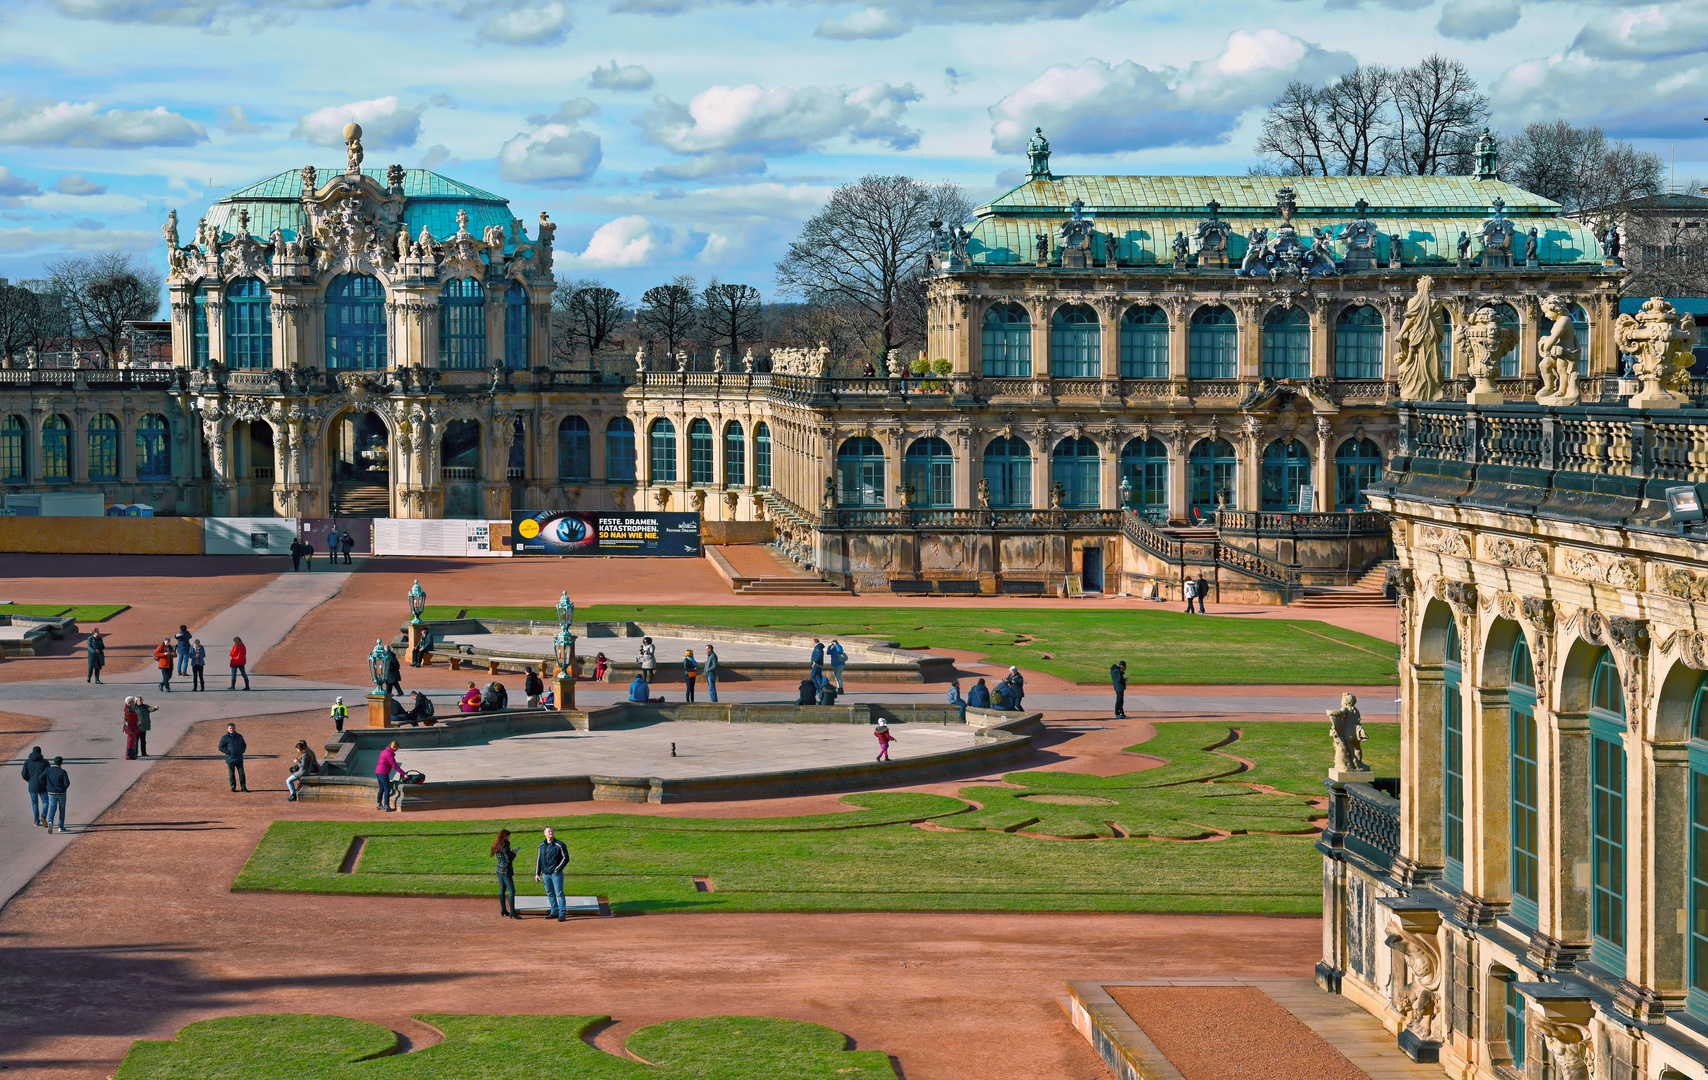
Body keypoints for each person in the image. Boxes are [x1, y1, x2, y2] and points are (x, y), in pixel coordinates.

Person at [535, 826, 571, 921]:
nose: (550, 833)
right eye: (548, 831)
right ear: (545, 833)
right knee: (550, 893)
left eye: (551, 831)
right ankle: (554, 912)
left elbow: (566, 858)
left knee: (559, 893)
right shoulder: (541, 845)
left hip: (556, 874)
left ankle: (562, 914)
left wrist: (557, 869)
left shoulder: (560, 845)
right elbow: (539, 859)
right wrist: (537, 873)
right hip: (545, 874)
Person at [492, 829, 520, 919]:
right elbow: (509, 860)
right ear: (505, 836)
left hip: (499, 870)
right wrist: (514, 853)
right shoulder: (505, 846)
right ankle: (513, 912)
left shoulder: (497, 845)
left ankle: (503, 909)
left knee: (502, 890)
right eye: (508, 836)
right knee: (512, 891)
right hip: (505, 871)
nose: (509, 837)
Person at [21, 746, 49, 826]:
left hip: (32, 785)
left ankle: (36, 821)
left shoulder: (27, 762)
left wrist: (29, 780)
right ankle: (43, 816)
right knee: (45, 801)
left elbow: (23, 774)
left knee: (34, 803)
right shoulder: (45, 762)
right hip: (43, 785)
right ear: (40, 752)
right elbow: (48, 773)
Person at [41, 755, 69, 834]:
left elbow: (40, 778)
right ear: (61, 763)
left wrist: (47, 785)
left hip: (51, 792)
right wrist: (64, 787)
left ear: (54, 762)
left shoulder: (48, 770)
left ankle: (50, 822)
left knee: (52, 808)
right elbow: (66, 783)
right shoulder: (63, 772)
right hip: (61, 793)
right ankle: (61, 826)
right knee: (62, 809)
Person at [219, 722, 248, 792]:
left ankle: (243, 787)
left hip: (239, 758)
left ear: (235, 728)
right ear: (228, 729)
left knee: (242, 773)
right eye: (230, 728)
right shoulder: (224, 737)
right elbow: (220, 747)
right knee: (232, 774)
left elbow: (244, 745)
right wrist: (228, 752)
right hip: (230, 759)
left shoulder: (239, 736)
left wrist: (242, 751)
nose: (231, 729)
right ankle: (233, 787)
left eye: (233, 728)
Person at [375, 740, 402, 811]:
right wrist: (404, 774)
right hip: (383, 773)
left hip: (378, 772)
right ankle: (386, 806)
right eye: (397, 748)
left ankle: (379, 804)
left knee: (381, 789)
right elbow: (395, 765)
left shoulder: (384, 751)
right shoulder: (389, 754)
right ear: (394, 747)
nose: (397, 750)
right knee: (387, 789)